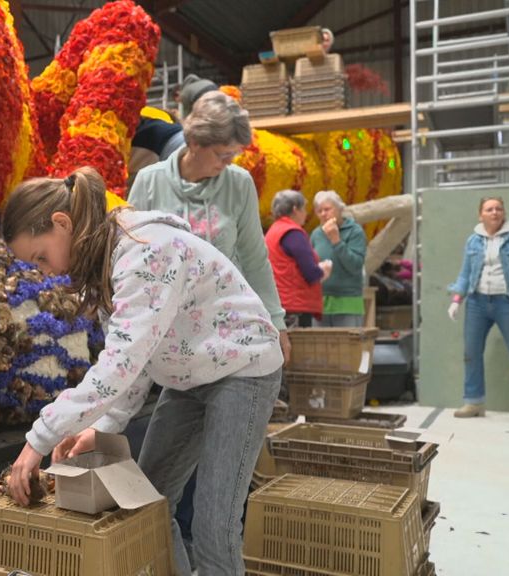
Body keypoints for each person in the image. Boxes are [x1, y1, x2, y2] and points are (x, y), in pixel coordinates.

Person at [2, 167, 283, 576]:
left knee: (214, 525)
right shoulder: (104, 262)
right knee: (151, 504)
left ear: (61, 223)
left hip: (244, 370)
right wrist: (106, 426)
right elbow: (134, 364)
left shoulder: (145, 252)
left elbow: (120, 364)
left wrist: (38, 441)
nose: (45, 270)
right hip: (189, 379)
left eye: (40, 256)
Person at [127, 89, 288, 567]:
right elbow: (135, 264)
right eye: (222, 154)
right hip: (183, 363)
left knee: (216, 519)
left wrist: (276, 322)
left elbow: (255, 259)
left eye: (233, 155)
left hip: (235, 352)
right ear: (194, 143)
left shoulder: (237, 184)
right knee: (150, 500)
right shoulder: (150, 183)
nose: (227, 162)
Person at [447, 197, 509, 426]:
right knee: (471, 352)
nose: (494, 212)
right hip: (477, 302)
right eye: (489, 209)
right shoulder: (473, 241)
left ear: (503, 212)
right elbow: (465, 273)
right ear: (480, 215)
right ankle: (474, 402)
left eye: (498, 208)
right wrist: (457, 299)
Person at [265, 190, 332, 328]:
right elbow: (310, 272)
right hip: (295, 306)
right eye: (304, 209)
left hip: (278, 302)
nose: (306, 214)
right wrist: (323, 269)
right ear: (295, 209)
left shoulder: (273, 231)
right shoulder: (293, 233)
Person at [310, 190, 367, 327]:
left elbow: (355, 265)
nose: (323, 214)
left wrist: (336, 241)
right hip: (321, 303)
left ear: (339, 209)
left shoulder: (355, 231)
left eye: (327, 209)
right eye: (319, 211)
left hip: (348, 302)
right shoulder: (316, 234)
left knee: (347, 347)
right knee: (319, 348)